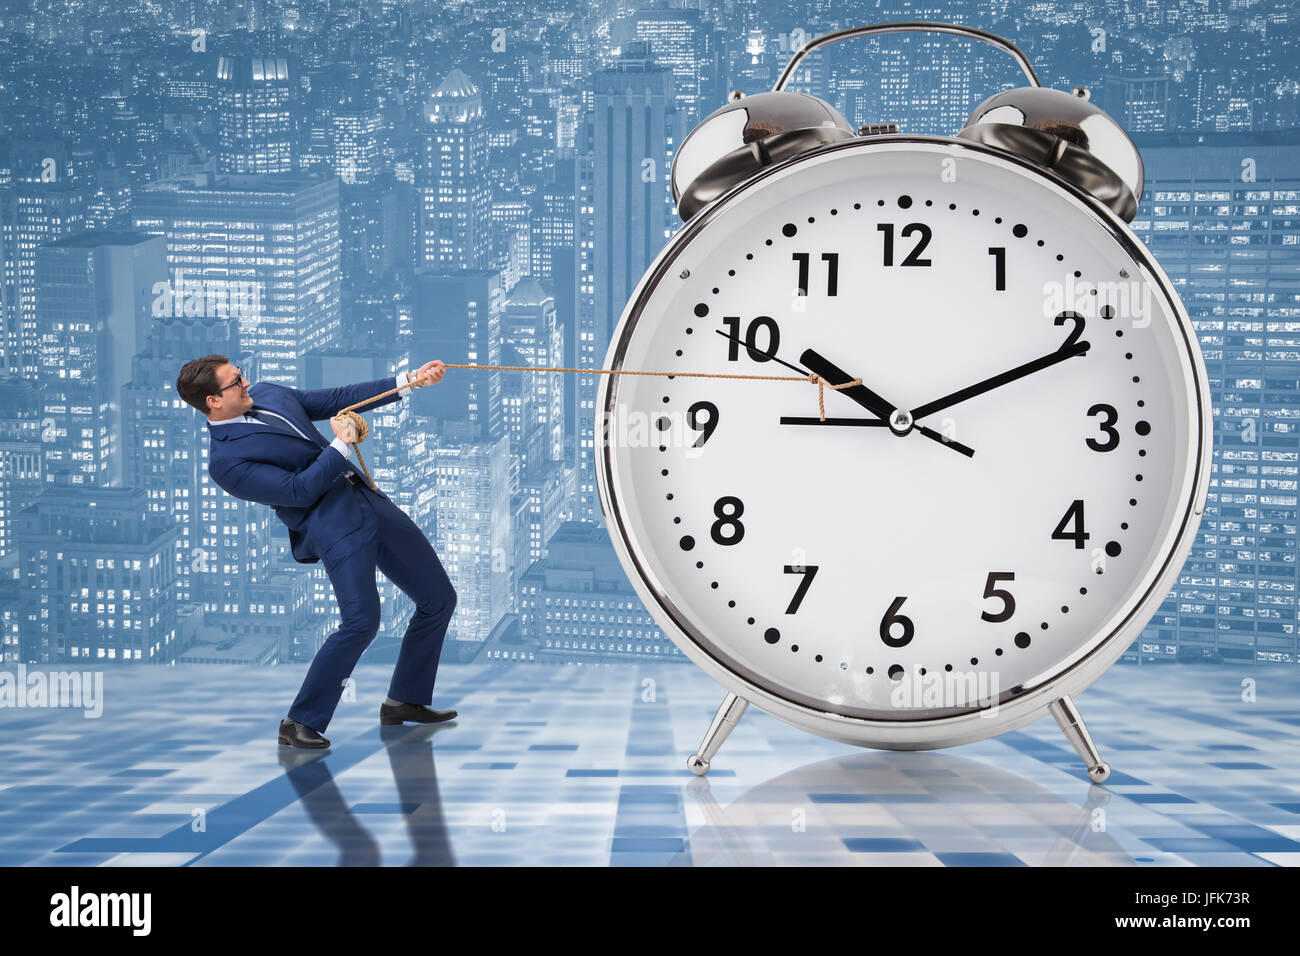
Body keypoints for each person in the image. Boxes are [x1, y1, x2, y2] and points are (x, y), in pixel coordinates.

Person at [175, 355, 458, 749]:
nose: (246, 383)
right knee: (362, 621)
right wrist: (342, 442)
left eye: (241, 375)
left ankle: (405, 700)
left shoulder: (268, 393)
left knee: (439, 598)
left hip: (366, 499)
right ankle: (299, 722)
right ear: (213, 402)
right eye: (235, 382)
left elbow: (338, 398)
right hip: (333, 526)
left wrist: (410, 381)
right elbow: (299, 491)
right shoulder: (226, 462)